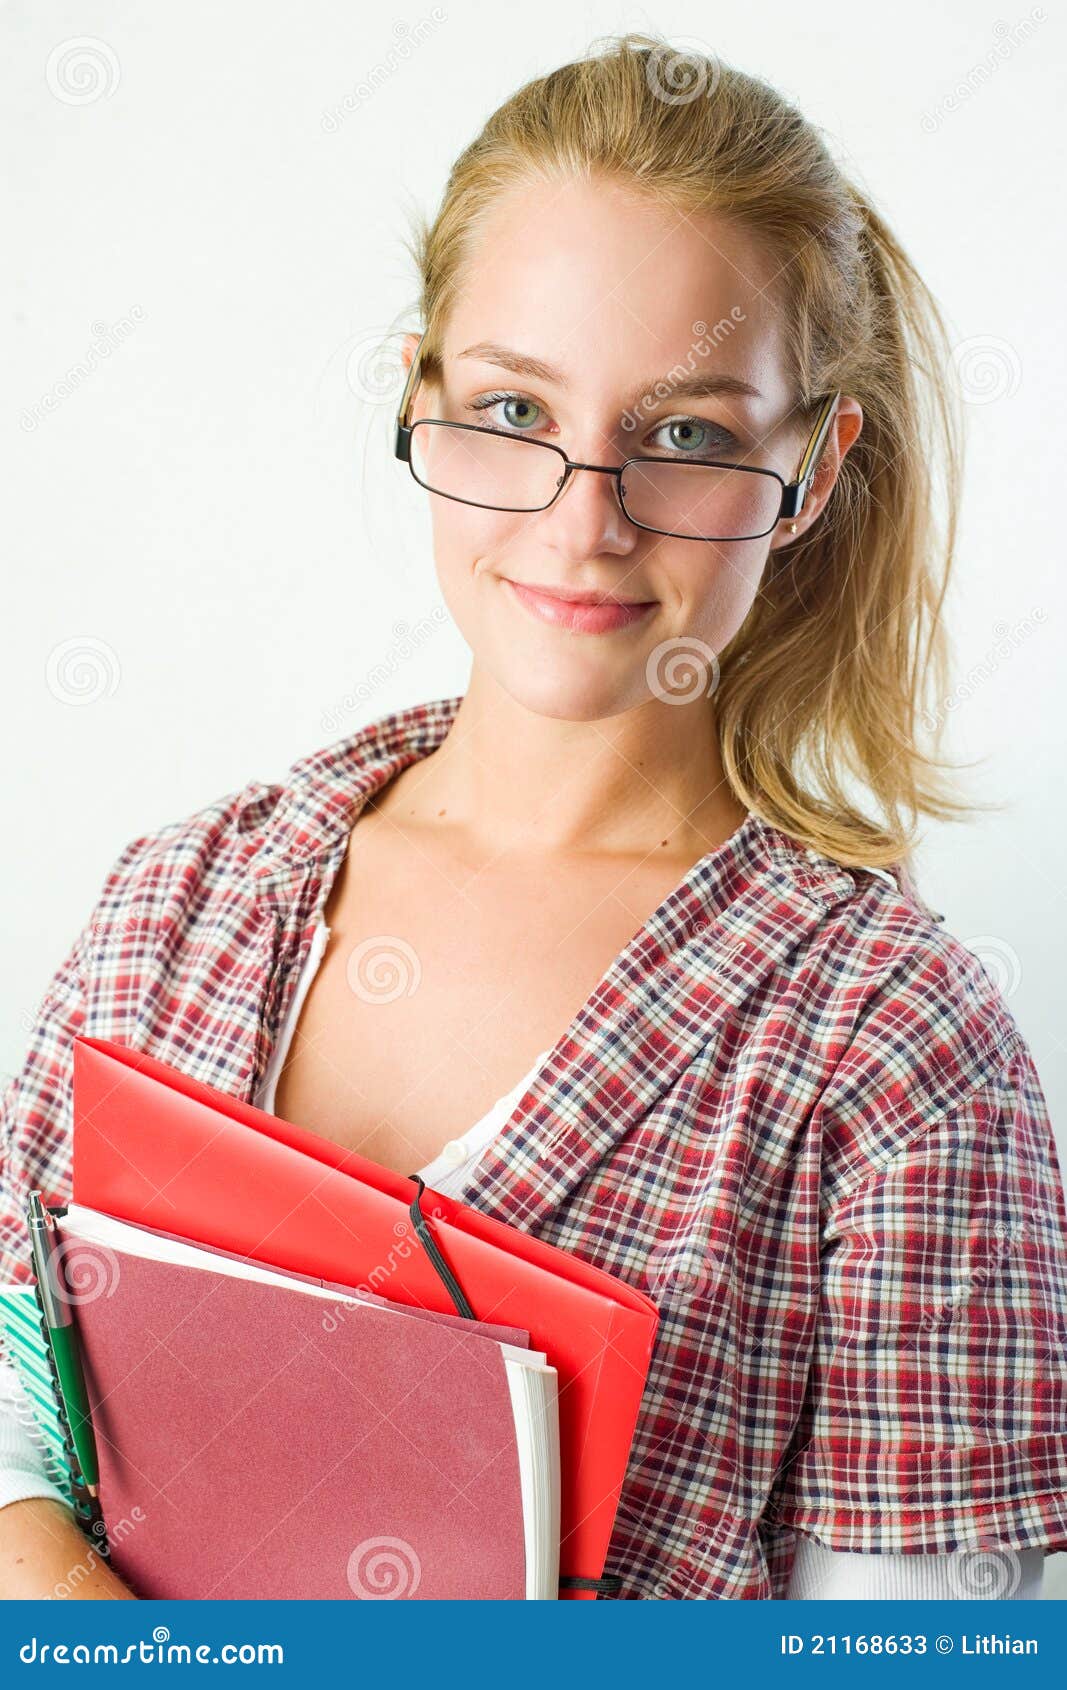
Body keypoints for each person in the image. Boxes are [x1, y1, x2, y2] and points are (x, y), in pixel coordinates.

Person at [1, 32, 1063, 1602]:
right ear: (422, 394)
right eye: (511, 411)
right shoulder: (186, 898)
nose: (586, 516)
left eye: (688, 434)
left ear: (815, 467)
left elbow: (921, 1658)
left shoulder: (894, 1054)